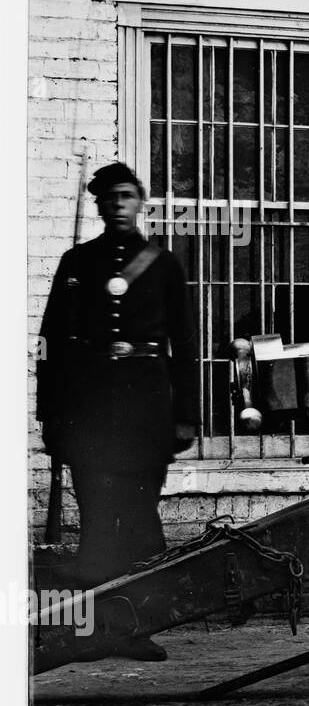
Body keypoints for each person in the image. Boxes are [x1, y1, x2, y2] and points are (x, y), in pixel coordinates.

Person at [37, 162, 200, 600]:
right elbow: (50, 343)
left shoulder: (163, 265)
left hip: (146, 411)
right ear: (99, 205)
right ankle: (104, 623)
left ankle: (144, 620)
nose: (118, 204)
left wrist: (185, 416)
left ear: (140, 202)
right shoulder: (77, 262)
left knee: (139, 514)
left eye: (126, 195)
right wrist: (50, 416)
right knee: (95, 516)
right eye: (109, 197)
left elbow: (185, 347)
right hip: (88, 411)